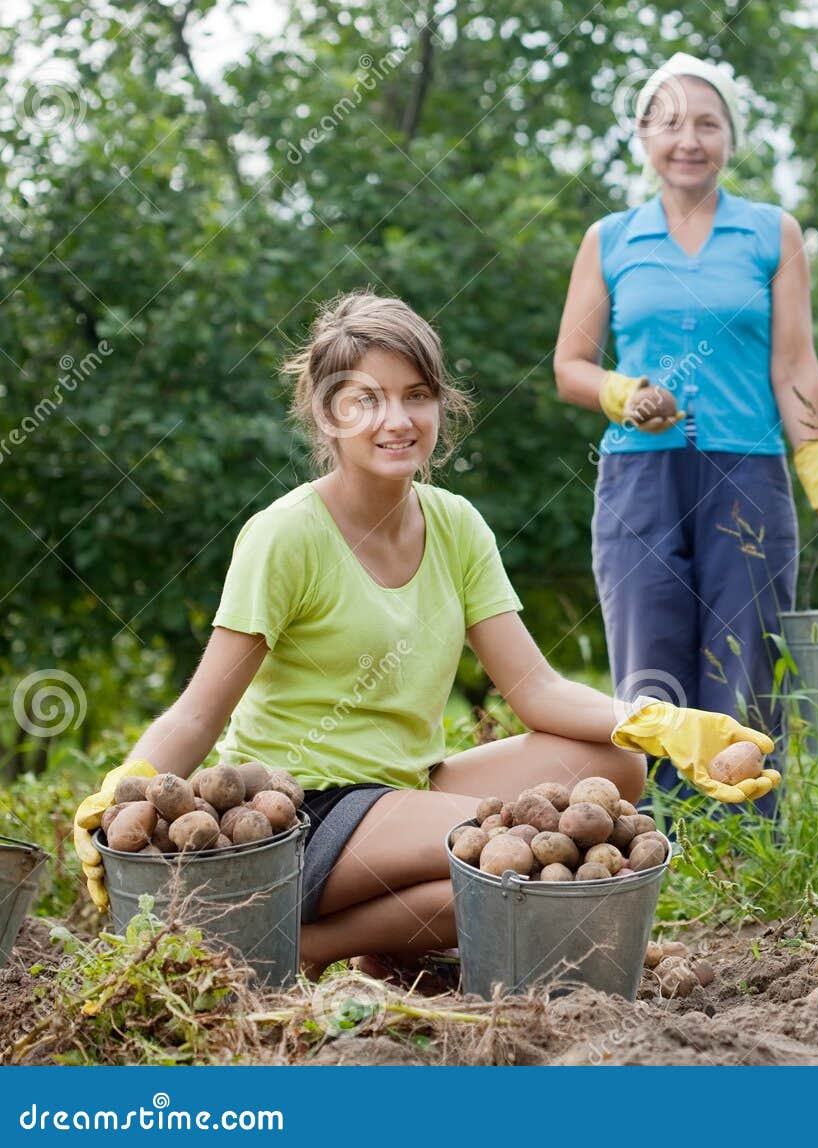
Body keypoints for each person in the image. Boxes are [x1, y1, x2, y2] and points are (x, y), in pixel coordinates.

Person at [72, 292, 776, 983]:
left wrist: (667, 725)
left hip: (410, 785)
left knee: (613, 771)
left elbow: (535, 689)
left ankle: (353, 938)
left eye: (416, 395)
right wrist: (119, 792)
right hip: (306, 810)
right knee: (508, 854)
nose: (397, 419)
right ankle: (308, 939)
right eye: (366, 399)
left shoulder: (457, 524)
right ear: (326, 413)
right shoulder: (285, 535)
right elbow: (202, 710)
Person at [554, 53, 818, 814]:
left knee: (746, 656)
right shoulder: (610, 238)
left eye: (707, 123)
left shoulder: (771, 232)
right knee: (650, 663)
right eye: (669, 123)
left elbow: (794, 362)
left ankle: (748, 839)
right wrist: (623, 393)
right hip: (639, 477)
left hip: (750, 472)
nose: (687, 139)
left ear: (731, 135)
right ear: (642, 135)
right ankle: (658, 838)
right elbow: (570, 366)